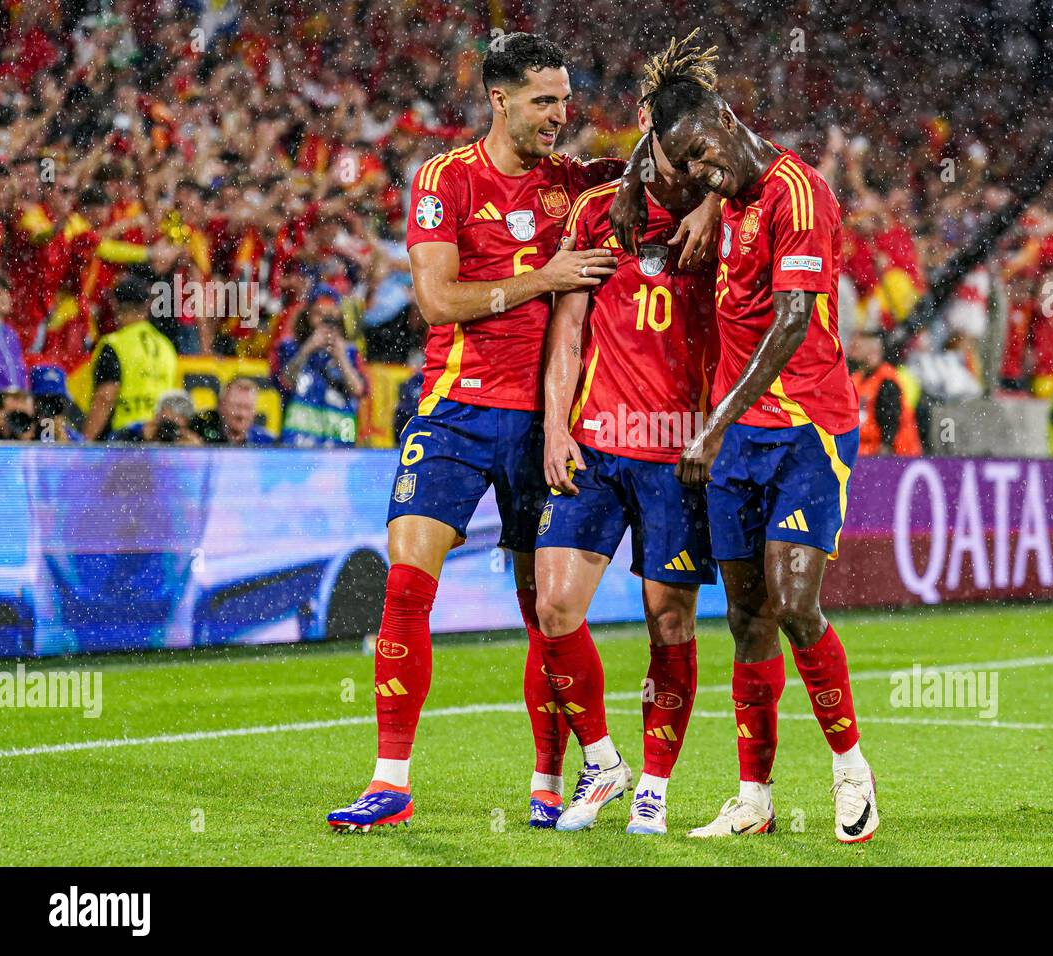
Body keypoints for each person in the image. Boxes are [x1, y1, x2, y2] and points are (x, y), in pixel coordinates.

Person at [326, 31, 719, 834]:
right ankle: (391, 779)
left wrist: (713, 195)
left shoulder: (573, 184)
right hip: (456, 409)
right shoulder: (445, 180)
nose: (561, 116)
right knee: (407, 580)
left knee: (544, 609)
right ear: (499, 98)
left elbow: (689, 159)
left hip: (545, 424)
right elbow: (436, 300)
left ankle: (549, 780)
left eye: (565, 101)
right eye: (545, 101)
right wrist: (540, 278)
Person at [612, 31, 878, 843]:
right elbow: (668, 144)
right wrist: (635, 172)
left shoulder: (801, 195)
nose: (698, 173)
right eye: (684, 165)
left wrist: (712, 429)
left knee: (797, 605)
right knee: (748, 620)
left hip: (804, 432)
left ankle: (850, 770)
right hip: (737, 444)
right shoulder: (718, 195)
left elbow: (795, 321)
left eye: (703, 155)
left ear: (729, 118)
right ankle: (754, 798)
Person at [534, 44, 720, 835]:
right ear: (645, 123)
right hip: (599, 446)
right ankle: (604, 763)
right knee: (553, 607)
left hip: (679, 454)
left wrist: (713, 198)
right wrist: (555, 425)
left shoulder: (731, 208)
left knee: (669, 624)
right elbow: (567, 330)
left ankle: (656, 786)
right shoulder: (598, 208)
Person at [83, 272, 179, 441]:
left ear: (114, 304)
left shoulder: (114, 344)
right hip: (156, 436)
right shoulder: (166, 346)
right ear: (146, 305)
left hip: (124, 438)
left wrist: (86, 443)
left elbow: (105, 396)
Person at [274, 294, 367, 448]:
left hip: (339, 446)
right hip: (296, 444)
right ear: (308, 315)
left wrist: (341, 359)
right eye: (319, 314)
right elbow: (284, 382)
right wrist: (307, 349)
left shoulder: (350, 352)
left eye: (331, 316)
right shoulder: (289, 347)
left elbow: (359, 390)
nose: (325, 321)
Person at [852, 330, 920, 456]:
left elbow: (891, 417)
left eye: (858, 347)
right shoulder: (857, 378)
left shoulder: (886, 379)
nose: (853, 350)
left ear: (873, 352)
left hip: (897, 452)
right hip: (866, 448)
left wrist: (886, 446)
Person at [191, 377, 276, 446]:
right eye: (237, 406)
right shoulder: (200, 435)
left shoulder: (266, 442)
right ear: (221, 405)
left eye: (247, 408)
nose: (242, 414)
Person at [107, 390, 203, 444]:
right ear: (156, 416)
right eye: (165, 423)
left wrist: (194, 453)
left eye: (175, 427)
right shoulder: (134, 431)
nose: (168, 431)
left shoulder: (189, 439)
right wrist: (141, 440)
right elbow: (109, 451)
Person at [28, 365, 84, 443]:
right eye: (46, 401)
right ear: (33, 401)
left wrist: (64, 441)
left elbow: (82, 450)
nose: (52, 407)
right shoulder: (22, 429)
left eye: (58, 402)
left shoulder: (71, 436)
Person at [0, 276, 28, 392]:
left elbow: (20, 371)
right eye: (0, 291)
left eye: (6, 291)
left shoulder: (11, 334)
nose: (4, 296)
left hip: (16, 401)